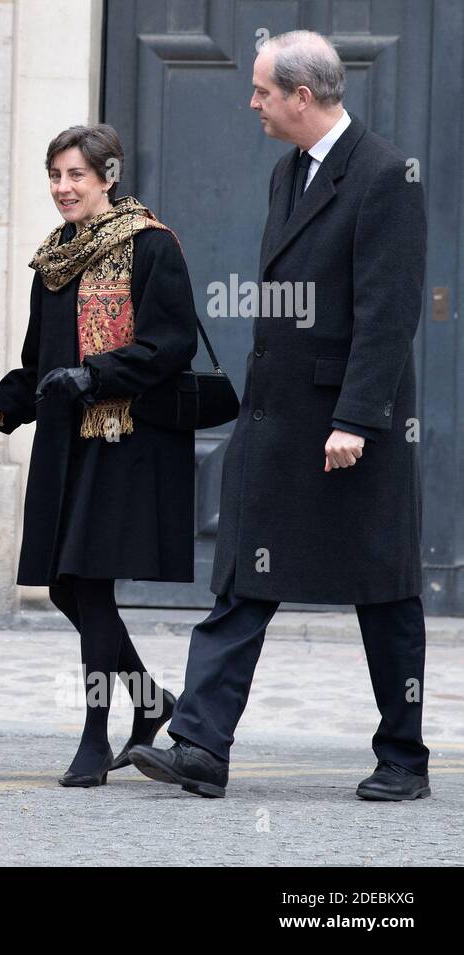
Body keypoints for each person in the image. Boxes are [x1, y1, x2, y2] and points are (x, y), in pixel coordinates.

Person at [129, 31, 430, 800]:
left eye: (263, 90)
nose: (252, 101)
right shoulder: (287, 170)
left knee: (383, 590)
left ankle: (403, 757)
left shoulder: (385, 175)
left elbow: (388, 314)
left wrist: (358, 420)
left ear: (302, 95)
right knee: (242, 580)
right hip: (280, 420)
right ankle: (200, 745)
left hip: (350, 426)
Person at [0, 124, 197, 787]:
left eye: (76, 175)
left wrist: (96, 377)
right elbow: (39, 364)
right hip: (64, 442)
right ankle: (151, 701)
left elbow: (171, 343)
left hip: (123, 440)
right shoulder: (55, 261)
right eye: (55, 175)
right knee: (68, 586)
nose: (63, 188)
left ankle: (96, 736)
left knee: (89, 583)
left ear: (108, 177)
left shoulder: (152, 247)